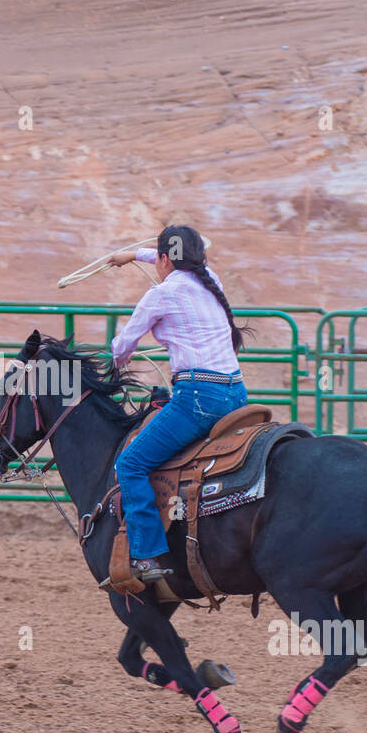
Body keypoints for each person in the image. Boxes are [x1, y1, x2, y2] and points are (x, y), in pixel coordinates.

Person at [109, 225, 250, 582]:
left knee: (131, 464)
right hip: (236, 394)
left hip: (199, 398)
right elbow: (177, 259)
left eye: (156, 258)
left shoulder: (160, 295)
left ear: (162, 260)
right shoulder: (210, 279)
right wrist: (134, 256)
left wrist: (115, 362)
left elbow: (123, 345)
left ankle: (147, 555)